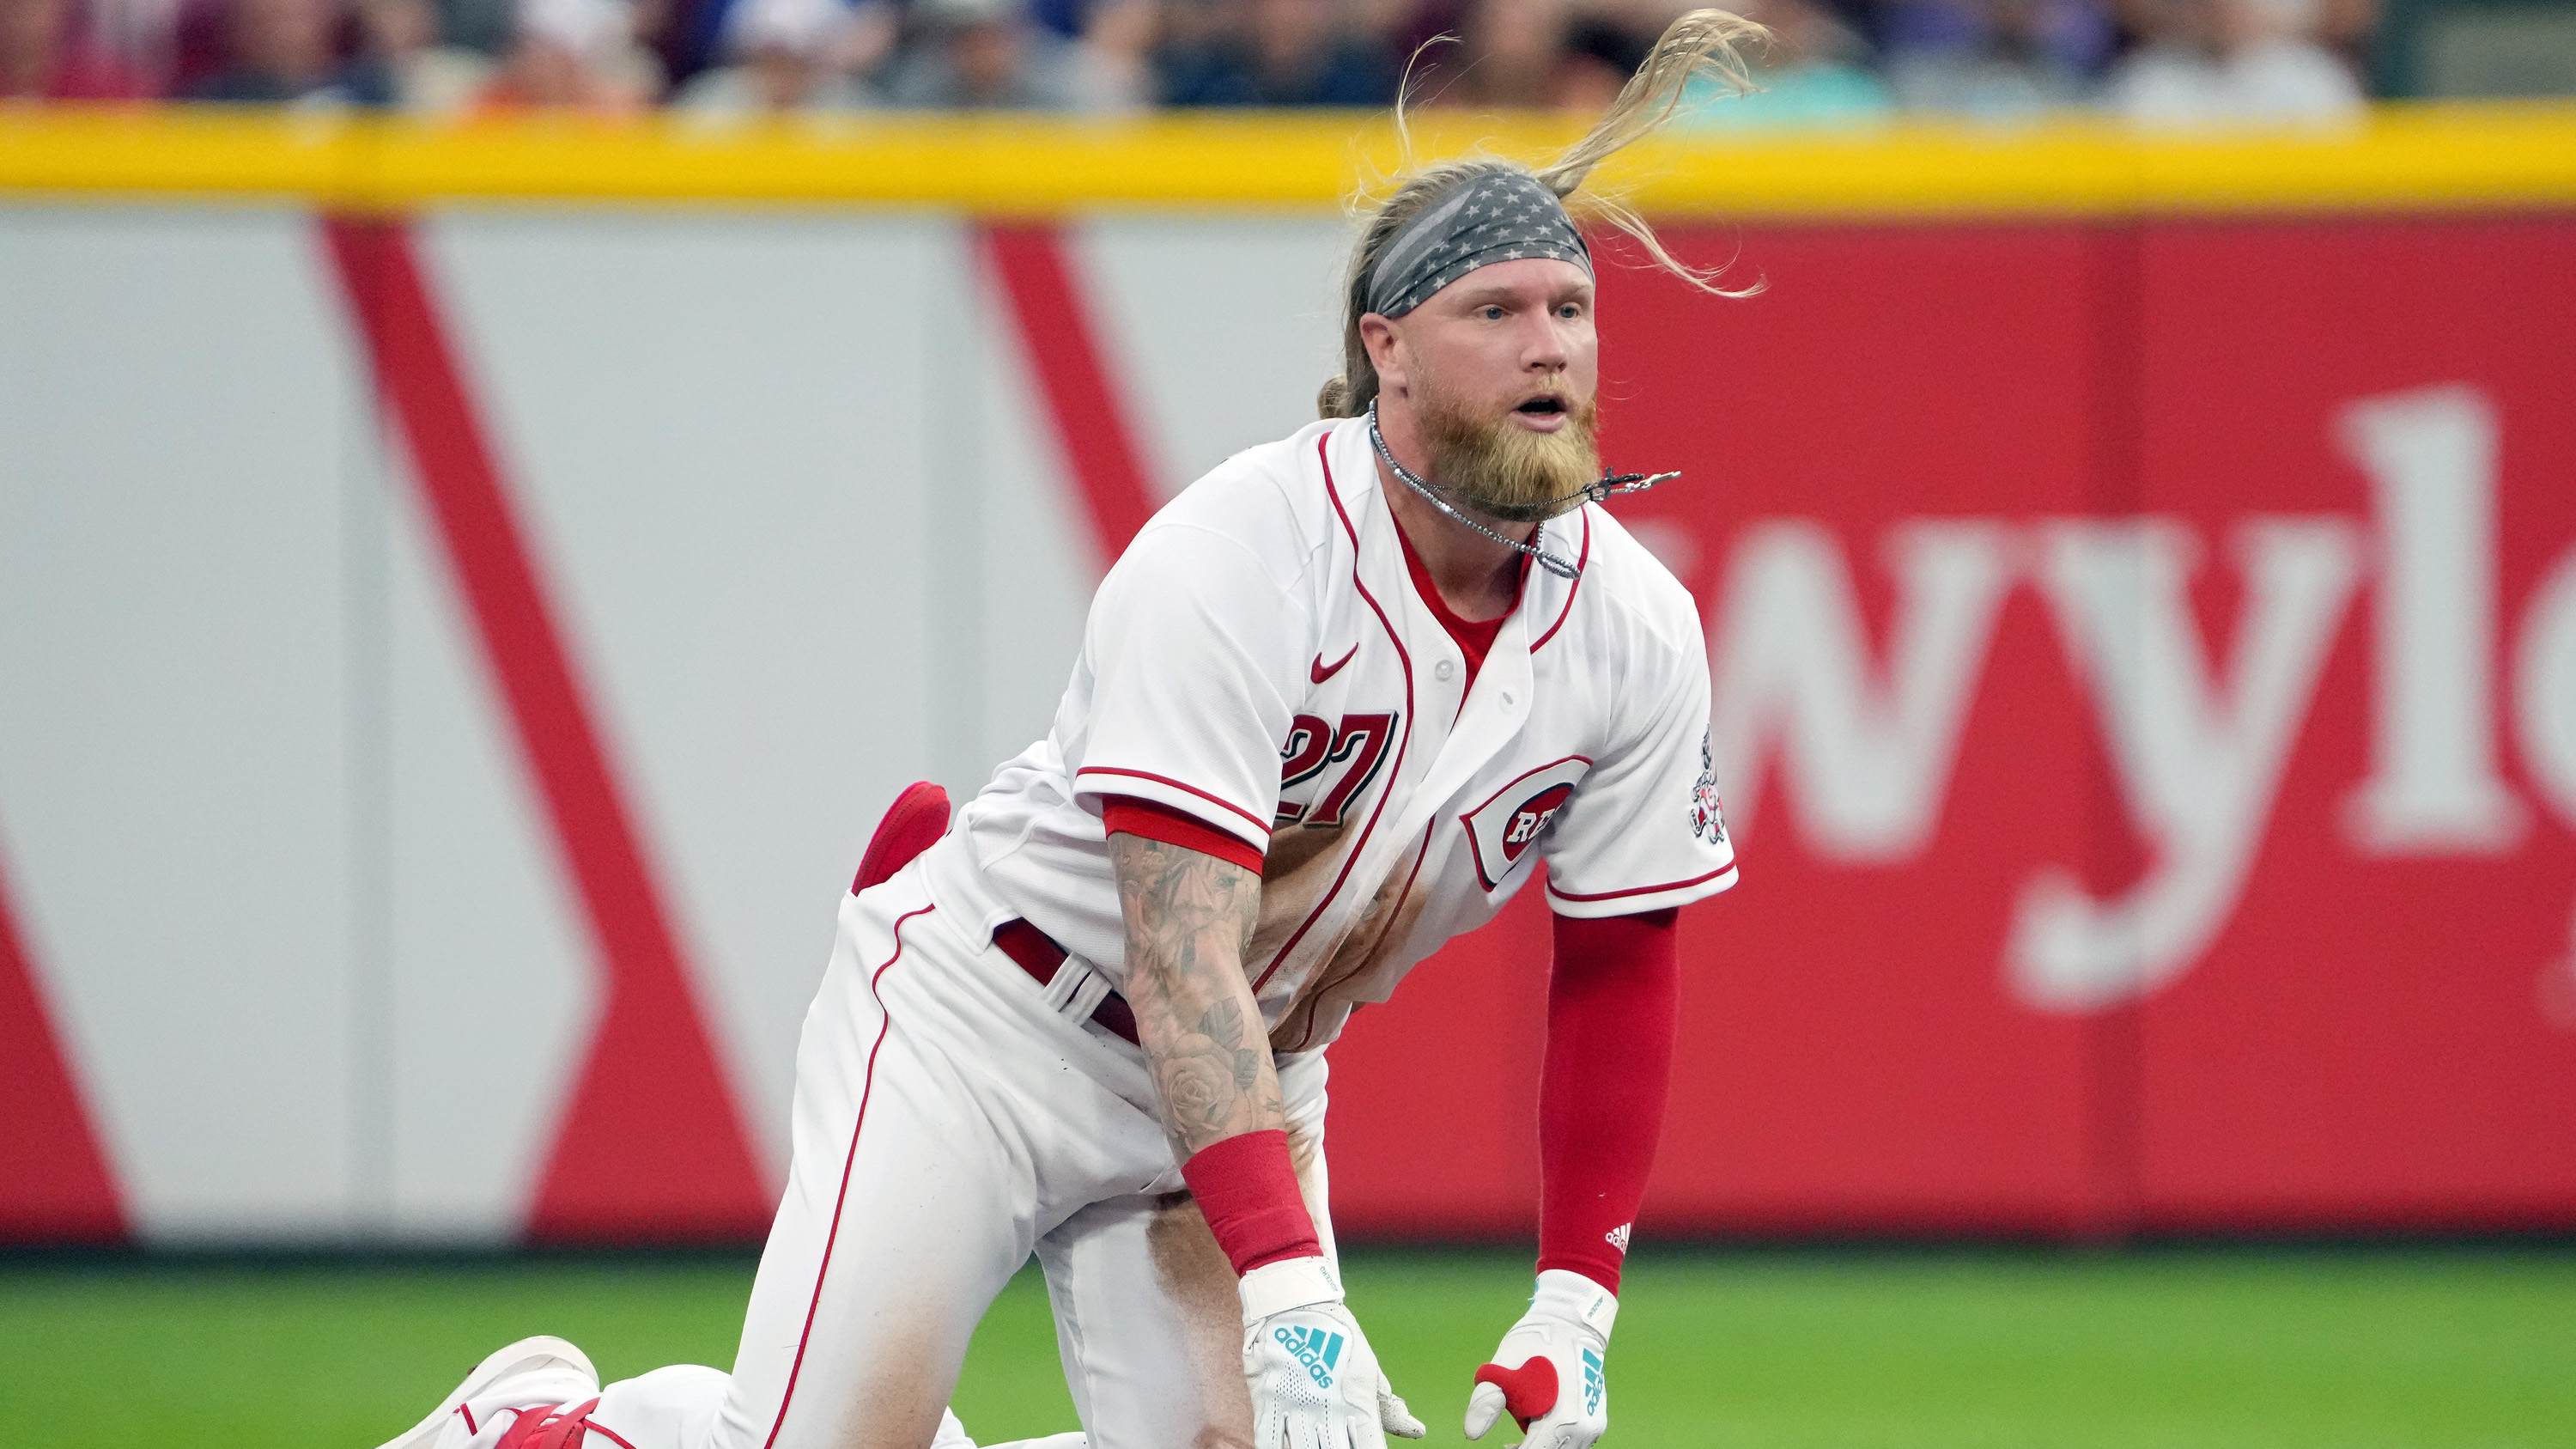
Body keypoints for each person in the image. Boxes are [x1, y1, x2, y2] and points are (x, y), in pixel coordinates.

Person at [374, 10, 1759, 1449]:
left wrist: (1571, 1307)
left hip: (1245, 1073)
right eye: (1497, 311)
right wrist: (1288, 1281)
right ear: (1388, 348)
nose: (1550, 347)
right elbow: (1176, 957)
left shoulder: (1633, 626)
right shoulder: (1244, 556)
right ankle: (539, 1423)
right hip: (992, 1028)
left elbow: (1615, 969)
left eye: (1570, 308)